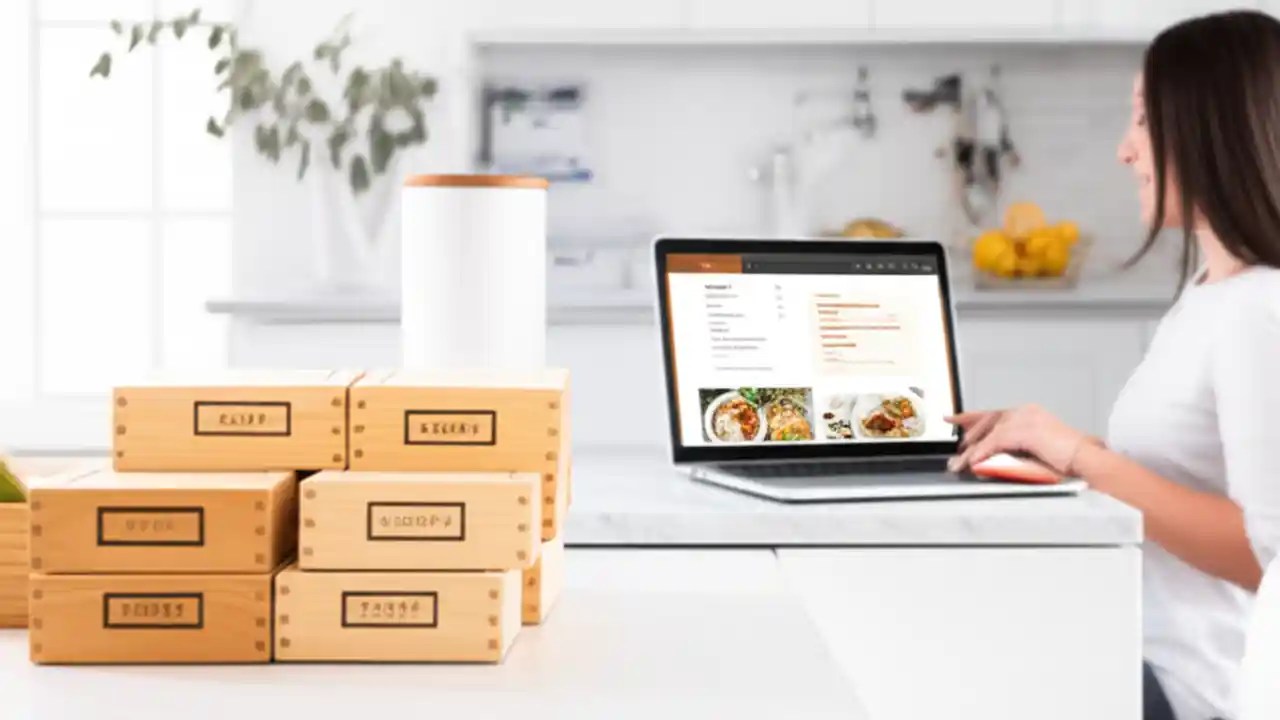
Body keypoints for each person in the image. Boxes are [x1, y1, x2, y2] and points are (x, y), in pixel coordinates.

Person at [946, 10, 1280, 720]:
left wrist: (1081, 456)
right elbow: (1186, 479)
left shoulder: (1260, 309)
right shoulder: (1209, 296)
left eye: (1143, 120)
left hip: (1195, 688)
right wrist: (1054, 447)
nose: (1126, 151)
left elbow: (1267, 556)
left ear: (1209, 127)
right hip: (1140, 647)